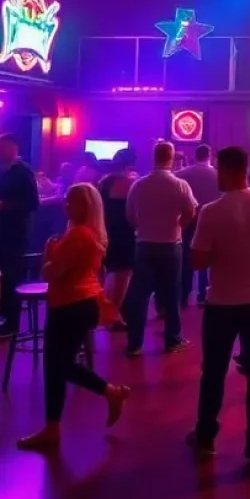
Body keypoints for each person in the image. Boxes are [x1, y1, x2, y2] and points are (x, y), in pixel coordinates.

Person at [188, 147, 250, 474]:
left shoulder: (211, 211)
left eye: (219, 169)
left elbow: (198, 261)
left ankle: (206, 437)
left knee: (214, 371)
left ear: (229, 170)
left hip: (221, 302)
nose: (216, 174)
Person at [17, 184, 130, 450]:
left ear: (84, 206)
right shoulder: (91, 233)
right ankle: (54, 426)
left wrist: (48, 252)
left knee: (58, 365)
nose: (65, 205)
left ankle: (109, 393)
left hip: (71, 304)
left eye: (70, 201)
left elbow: (50, 273)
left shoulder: (77, 235)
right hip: (82, 302)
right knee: (58, 365)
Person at [123, 141, 197, 356]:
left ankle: (135, 343)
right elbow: (191, 210)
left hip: (144, 244)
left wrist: (142, 228)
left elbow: (129, 215)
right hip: (171, 244)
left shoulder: (139, 184)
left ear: (153, 157)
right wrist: (179, 227)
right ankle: (172, 340)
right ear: (172, 158)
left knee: (140, 294)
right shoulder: (179, 184)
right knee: (172, 292)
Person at [0, 134, 40, 339]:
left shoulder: (23, 172)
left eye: (0, 147)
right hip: (1, 231)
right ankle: (3, 318)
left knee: (12, 277)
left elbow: (32, 203)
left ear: (12, 148)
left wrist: (4, 205)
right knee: (1, 275)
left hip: (16, 232)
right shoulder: (1, 171)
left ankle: (12, 324)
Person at [177, 144, 219, 306]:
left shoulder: (182, 174)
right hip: (211, 220)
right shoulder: (217, 175)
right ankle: (204, 292)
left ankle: (184, 294)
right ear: (210, 155)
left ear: (195, 155)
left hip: (189, 220)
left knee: (187, 257)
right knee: (207, 257)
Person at [99, 147, 138, 320]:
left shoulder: (104, 181)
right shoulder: (129, 183)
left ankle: (106, 311)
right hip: (125, 232)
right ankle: (114, 315)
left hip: (107, 229)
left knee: (109, 273)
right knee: (124, 274)